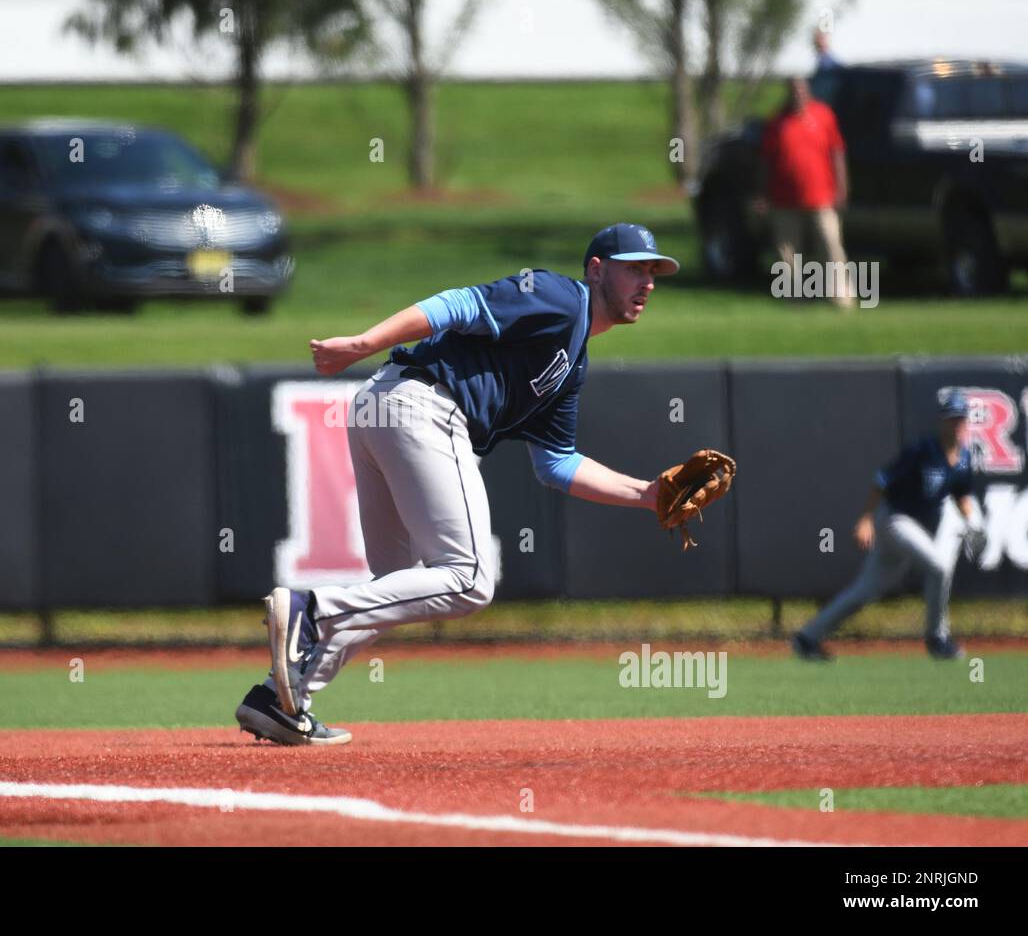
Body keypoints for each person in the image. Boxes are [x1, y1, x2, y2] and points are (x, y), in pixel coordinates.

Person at [234, 223, 684, 745]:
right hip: (421, 405)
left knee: (393, 587)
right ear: (597, 269)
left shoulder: (573, 360)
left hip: (385, 407)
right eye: (635, 268)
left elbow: (556, 463)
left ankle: (280, 700)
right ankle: (311, 610)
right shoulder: (563, 297)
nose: (646, 282)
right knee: (469, 578)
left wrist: (647, 494)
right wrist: (364, 343)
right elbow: (461, 304)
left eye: (653, 272)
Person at [792, 389, 984, 662]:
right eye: (951, 418)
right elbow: (882, 480)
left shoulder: (963, 458)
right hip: (894, 520)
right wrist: (866, 518)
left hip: (916, 528)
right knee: (939, 567)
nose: (956, 424)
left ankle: (807, 637)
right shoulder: (922, 451)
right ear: (941, 421)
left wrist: (974, 523)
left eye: (960, 418)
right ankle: (936, 638)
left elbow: (962, 495)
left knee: (864, 591)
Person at [761, 77, 854, 307]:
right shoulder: (776, 122)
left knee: (830, 244)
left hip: (822, 196)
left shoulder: (823, 115)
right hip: (784, 199)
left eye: (801, 91)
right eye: (793, 91)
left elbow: (837, 152)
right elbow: (765, 162)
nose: (797, 95)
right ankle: (795, 299)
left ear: (808, 92)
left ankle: (840, 298)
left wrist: (842, 187)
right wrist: (762, 194)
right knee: (788, 254)